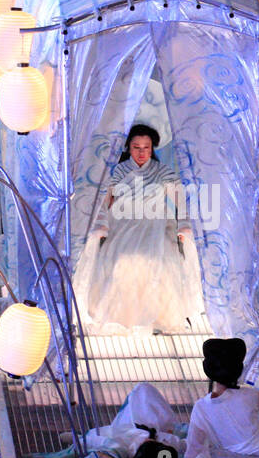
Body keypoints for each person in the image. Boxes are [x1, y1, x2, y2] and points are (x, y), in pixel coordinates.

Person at [73, 123, 202, 334]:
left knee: (159, 259)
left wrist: (184, 223)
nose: (142, 152)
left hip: (155, 223)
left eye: (146, 147)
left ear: (152, 149)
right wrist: (101, 223)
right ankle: (120, 317)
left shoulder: (162, 172)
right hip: (122, 223)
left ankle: (158, 317)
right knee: (119, 260)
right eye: (136, 147)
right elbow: (103, 202)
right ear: (129, 148)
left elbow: (180, 200)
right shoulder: (117, 172)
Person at [23, 382, 185, 458]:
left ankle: (78, 438)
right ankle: (78, 438)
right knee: (143, 394)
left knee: (141, 395)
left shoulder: (122, 449)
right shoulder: (158, 443)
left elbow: (100, 456)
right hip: (128, 430)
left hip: (118, 432)